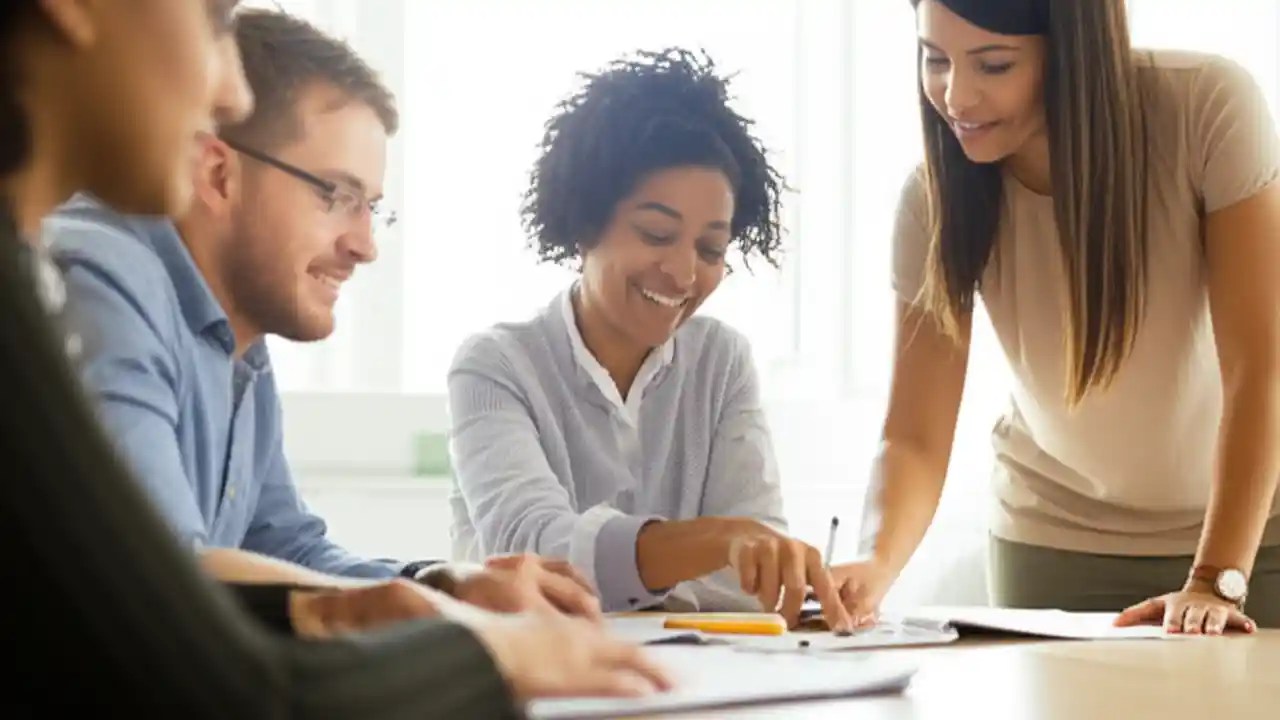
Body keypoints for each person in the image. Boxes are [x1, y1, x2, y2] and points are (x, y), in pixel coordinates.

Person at [1, 0, 668, 713]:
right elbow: (172, 615)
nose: (366, 245)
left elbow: (282, 556)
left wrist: (438, 585)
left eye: (369, 206)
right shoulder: (101, 268)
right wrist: (476, 644)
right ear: (220, 177)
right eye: (336, 195)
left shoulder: (237, 346)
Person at [835, 0, 1280, 633]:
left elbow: (1259, 367)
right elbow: (914, 436)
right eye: (934, 59)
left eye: (993, 64)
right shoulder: (931, 202)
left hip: (1254, 540)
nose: (956, 96)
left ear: (1073, 52)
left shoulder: (1207, 108)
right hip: (1056, 544)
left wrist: (1215, 580)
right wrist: (875, 564)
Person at [447, 48, 853, 632]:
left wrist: (729, 554)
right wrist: (718, 543)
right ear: (585, 222)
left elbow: (754, 580)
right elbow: (529, 547)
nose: (685, 275)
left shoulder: (722, 362)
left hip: (696, 681)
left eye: (711, 250)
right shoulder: (494, 368)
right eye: (657, 233)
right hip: (536, 675)